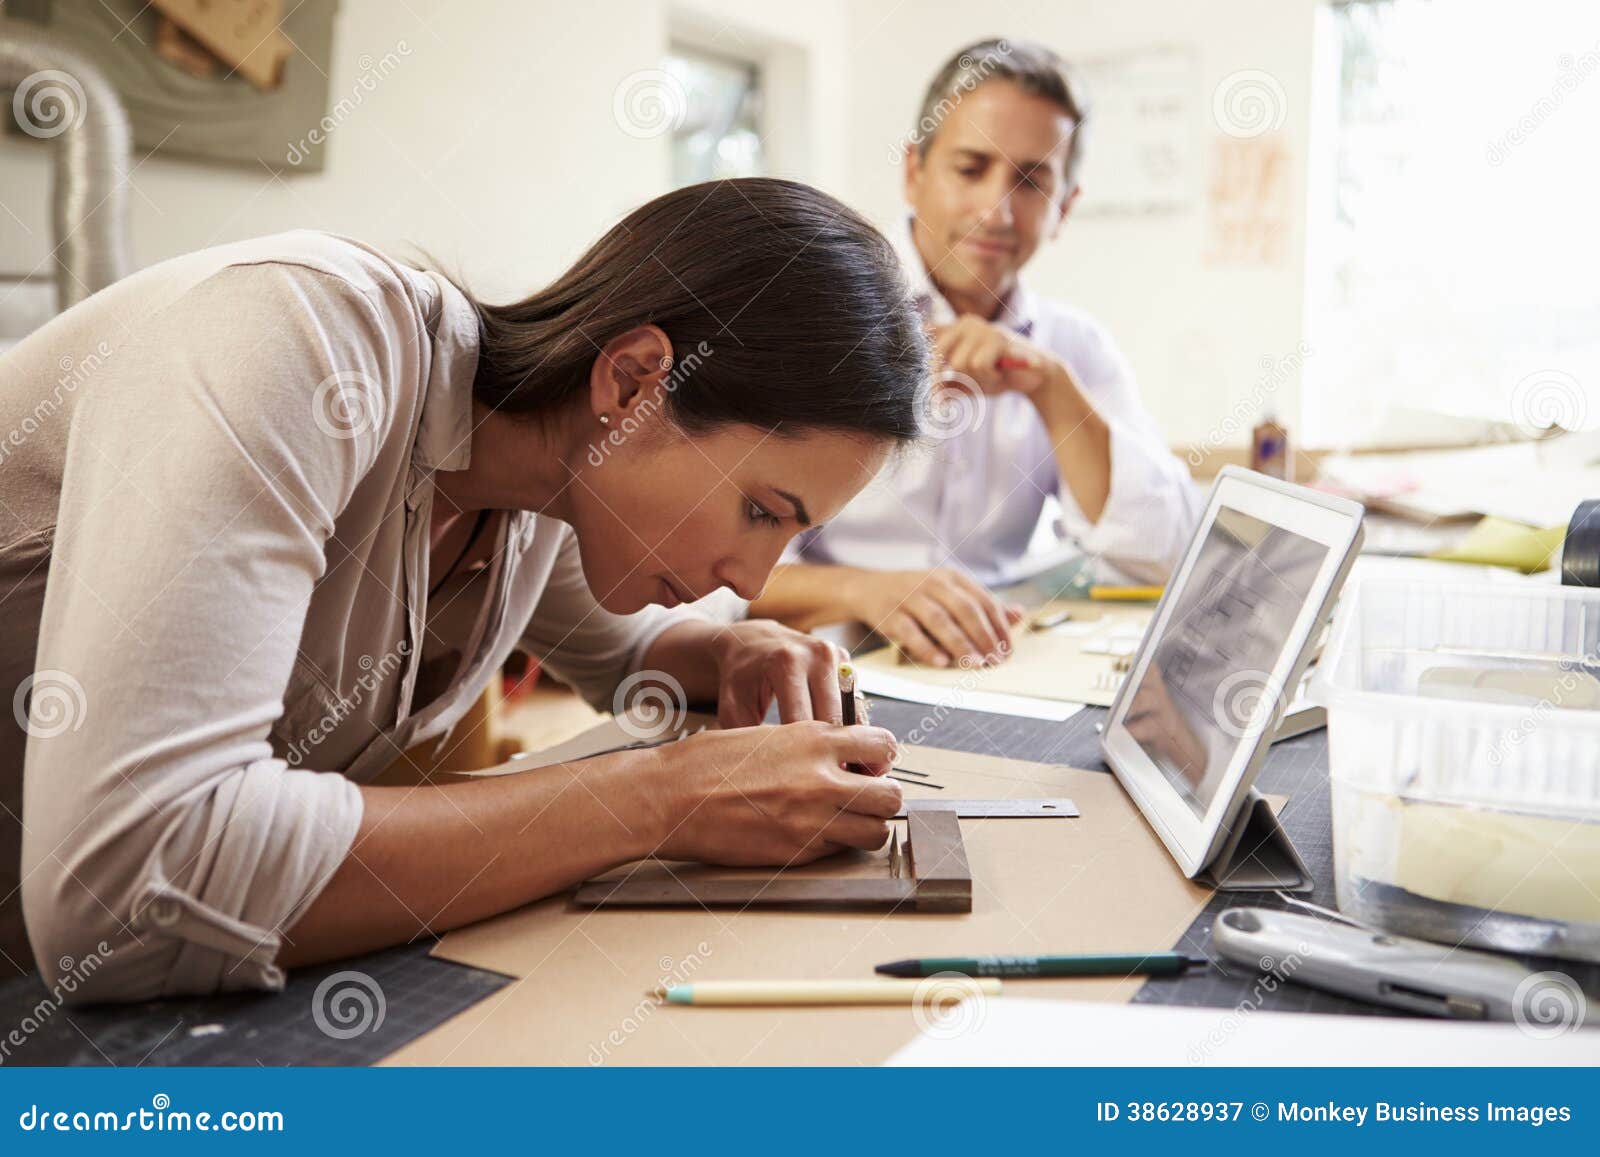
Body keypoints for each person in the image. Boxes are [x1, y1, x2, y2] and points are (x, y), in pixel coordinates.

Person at [0, 178, 926, 1001]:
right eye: (760, 510)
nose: (753, 579)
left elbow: (629, 656)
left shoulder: (541, 489)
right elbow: (121, 888)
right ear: (637, 381)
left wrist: (731, 651)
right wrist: (656, 798)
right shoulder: (299, 346)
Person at [750, 39, 1202, 669]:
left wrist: (1048, 386)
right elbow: (711, 565)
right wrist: (863, 589)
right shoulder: (812, 312)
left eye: (1030, 181)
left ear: (1064, 207)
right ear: (914, 171)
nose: (997, 211)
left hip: (997, 659)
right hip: (825, 660)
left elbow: (1170, 551)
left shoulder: (1071, 347)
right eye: (970, 169)